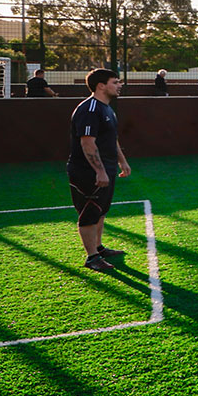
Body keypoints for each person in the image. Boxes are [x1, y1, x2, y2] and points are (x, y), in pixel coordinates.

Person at [67, 68, 131, 274]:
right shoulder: (90, 109)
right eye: (115, 82)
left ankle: (99, 248)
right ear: (101, 86)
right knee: (89, 213)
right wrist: (100, 171)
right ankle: (92, 257)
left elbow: (112, 139)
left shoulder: (107, 109)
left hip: (108, 168)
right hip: (87, 172)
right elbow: (87, 143)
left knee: (101, 211)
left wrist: (122, 161)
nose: (119, 85)